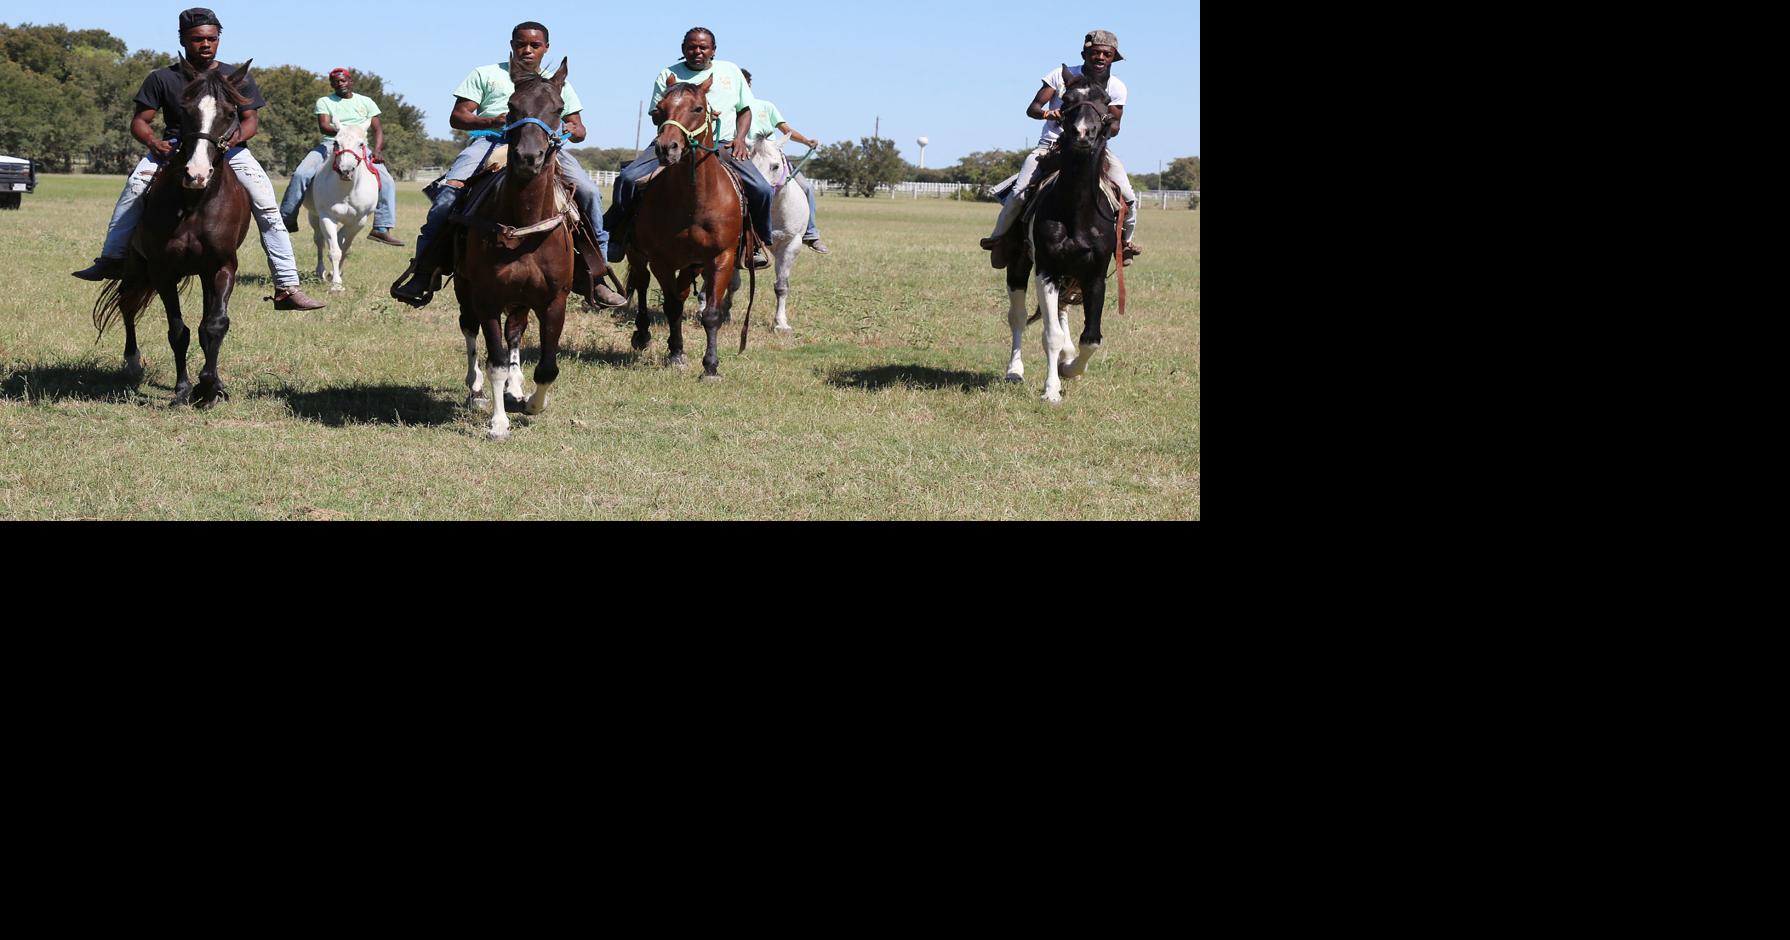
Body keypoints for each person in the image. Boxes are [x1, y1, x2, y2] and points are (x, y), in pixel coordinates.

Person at [72, 8, 325, 310]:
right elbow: (140, 121)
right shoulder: (162, 78)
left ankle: (286, 286)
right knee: (134, 188)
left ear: (218, 39)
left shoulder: (235, 77)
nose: (205, 44)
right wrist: (154, 142)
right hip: (176, 147)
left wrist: (237, 138)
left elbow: (250, 120)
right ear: (182, 39)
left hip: (228, 149)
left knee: (268, 208)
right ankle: (111, 259)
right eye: (197, 39)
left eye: (211, 39)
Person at [391, 21, 625, 307]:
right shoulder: (486, 74)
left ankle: (596, 275)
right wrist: (491, 120)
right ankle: (424, 271)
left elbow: (579, 128)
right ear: (512, 45)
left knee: (588, 192)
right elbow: (458, 116)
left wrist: (566, 129)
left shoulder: (557, 83)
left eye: (534, 45)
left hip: (544, 145)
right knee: (447, 196)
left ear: (546, 48)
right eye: (520, 44)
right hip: (492, 143)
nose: (527, 50)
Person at [602, 27, 776, 268]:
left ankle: (756, 243)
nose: (697, 51)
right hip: (673, 141)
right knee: (628, 178)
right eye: (691, 47)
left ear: (713, 51)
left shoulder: (731, 72)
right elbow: (656, 113)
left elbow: (745, 109)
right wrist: (674, 118)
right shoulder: (668, 74)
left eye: (703, 47)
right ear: (683, 49)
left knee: (763, 189)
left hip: (723, 143)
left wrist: (740, 138)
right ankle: (615, 235)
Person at [979, 30, 1142, 267]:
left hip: (1093, 150)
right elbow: (1033, 108)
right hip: (1052, 145)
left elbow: (1116, 126)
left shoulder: (1116, 87)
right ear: (1085, 53)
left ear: (1113, 58)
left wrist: (1106, 122)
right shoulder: (1060, 75)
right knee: (1019, 193)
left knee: (1128, 196)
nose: (1100, 57)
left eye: (1106, 54)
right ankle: (1000, 239)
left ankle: (1124, 244)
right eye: (1095, 52)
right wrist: (1048, 113)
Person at [278, 68, 403, 247]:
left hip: (358, 146)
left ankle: (381, 228)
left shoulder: (366, 102)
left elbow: (377, 129)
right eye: (335, 81)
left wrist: (376, 149)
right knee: (301, 173)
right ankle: (286, 219)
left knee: (388, 181)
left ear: (351, 81)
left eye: (343, 80)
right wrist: (344, 132)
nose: (340, 84)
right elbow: (323, 126)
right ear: (332, 84)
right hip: (332, 143)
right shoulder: (325, 101)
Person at [740, 68, 828, 254]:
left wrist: (805, 141)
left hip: (773, 156)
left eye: (744, 83)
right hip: (746, 158)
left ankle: (811, 233)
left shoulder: (766, 106)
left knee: (806, 187)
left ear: (749, 84)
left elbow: (786, 129)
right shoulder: (730, 109)